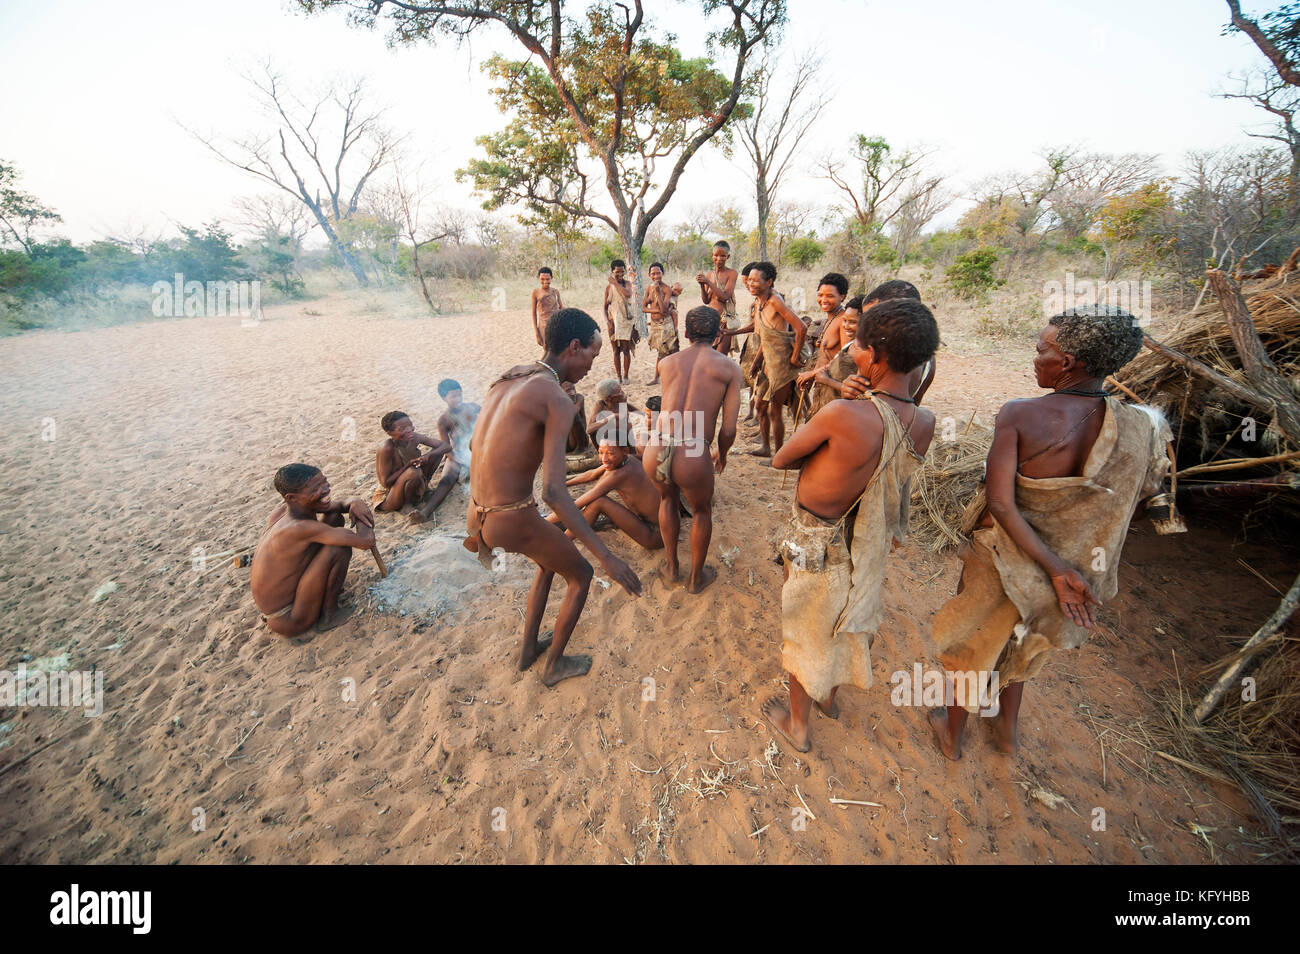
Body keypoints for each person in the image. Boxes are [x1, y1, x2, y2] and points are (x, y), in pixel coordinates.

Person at [926, 306, 1171, 760]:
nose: (1035, 358)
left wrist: (1052, 568)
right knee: (1027, 640)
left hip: (1003, 558)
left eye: (1042, 350)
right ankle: (1006, 732)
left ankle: (952, 731)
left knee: (974, 644)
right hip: (1074, 569)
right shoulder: (1140, 426)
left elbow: (1000, 501)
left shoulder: (1021, 414)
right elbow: (1131, 502)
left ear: (1069, 362)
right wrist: (1065, 563)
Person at [763, 299, 939, 752]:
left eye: (858, 347)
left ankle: (798, 725)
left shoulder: (844, 413)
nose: (852, 353)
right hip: (868, 538)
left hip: (815, 534)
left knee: (806, 625)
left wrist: (841, 404)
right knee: (845, 619)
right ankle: (829, 699)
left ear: (874, 357)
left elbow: (783, 458)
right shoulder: (925, 422)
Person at [465, 308, 642, 686]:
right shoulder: (557, 399)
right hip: (510, 516)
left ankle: (529, 650)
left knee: (550, 560)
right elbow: (553, 492)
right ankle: (554, 666)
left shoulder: (508, 377)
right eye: (592, 356)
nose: (591, 367)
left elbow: (473, 444)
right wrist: (607, 555)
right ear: (575, 347)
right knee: (582, 574)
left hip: (477, 515)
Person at [643, 306, 741, 594]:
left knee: (667, 501)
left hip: (658, 445)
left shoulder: (667, 363)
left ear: (684, 333)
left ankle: (672, 568)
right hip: (693, 450)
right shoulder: (728, 368)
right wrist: (722, 454)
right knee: (701, 512)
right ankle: (696, 579)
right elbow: (729, 429)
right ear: (719, 333)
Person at [251, 464, 376, 637]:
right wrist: (364, 516)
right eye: (316, 488)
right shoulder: (299, 527)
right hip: (290, 618)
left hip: (290, 601)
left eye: (324, 483)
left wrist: (354, 502)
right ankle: (329, 615)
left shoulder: (285, 510)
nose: (326, 490)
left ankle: (321, 600)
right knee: (338, 549)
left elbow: (338, 506)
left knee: (333, 518)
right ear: (292, 498)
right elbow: (366, 541)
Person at [547, 436, 664, 550]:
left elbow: (578, 504)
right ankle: (561, 538)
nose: (604, 458)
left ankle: (562, 543)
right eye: (600, 452)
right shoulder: (627, 459)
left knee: (598, 502)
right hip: (658, 525)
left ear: (624, 451)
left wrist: (543, 522)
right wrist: (565, 483)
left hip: (654, 535)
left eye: (610, 453)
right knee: (595, 500)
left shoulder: (619, 475)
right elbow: (592, 474)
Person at [839, 281, 936, 405]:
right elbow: (856, 391)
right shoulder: (871, 349)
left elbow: (911, 408)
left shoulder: (925, 362)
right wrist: (848, 390)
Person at [746, 261, 806, 458]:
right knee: (760, 407)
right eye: (750, 280)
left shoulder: (774, 301)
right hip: (767, 363)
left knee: (774, 411)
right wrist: (756, 362)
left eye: (756, 280)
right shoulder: (759, 302)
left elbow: (801, 327)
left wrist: (795, 357)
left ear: (769, 281)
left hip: (781, 365)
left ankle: (778, 455)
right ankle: (765, 447)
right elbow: (767, 336)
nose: (751, 284)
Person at [374, 411, 459, 524]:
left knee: (436, 453)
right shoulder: (387, 448)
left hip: (414, 482)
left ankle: (419, 495)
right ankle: (408, 504)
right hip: (390, 497)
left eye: (410, 425)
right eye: (402, 428)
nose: (409, 430)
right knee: (413, 472)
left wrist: (428, 456)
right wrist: (408, 466)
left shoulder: (414, 437)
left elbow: (446, 446)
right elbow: (386, 482)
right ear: (390, 433)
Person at [696, 241, 738, 353]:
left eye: (723, 256)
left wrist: (708, 282)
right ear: (712, 255)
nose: (719, 259)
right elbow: (706, 300)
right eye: (716, 255)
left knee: (720, 357)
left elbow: (725, 296)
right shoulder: (710, 274)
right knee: (709, 355)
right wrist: (702, 285)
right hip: (711, 320)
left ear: (728, 257)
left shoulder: (732, 273)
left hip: (725, 320)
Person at [643, 263, 681, 385]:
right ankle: (656, 378)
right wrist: (656, 310)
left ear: (662, 274)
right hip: (655, 324)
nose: (656, 276)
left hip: (666, 324)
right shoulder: (649, 288)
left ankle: (677, 376)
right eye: (653, 274)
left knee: (672, 351)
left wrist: (658, 293)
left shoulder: (666, 289)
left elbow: (665, 311)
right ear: (649, 275)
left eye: (658, 273)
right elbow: (643, 308)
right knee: (661, 352)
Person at [436, 379, 479, 485]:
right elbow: (446, 448)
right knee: (447, 479)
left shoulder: (473, 407)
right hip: (461, 452)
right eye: (453, 397)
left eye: (459, 395)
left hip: (480, 446)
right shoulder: (444, 420)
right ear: (443, 398)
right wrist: (458, 460)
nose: (458, 399)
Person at [604, 259, 637, 384]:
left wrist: (615, 283)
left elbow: (627, 294)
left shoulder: (627, 284)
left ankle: (626, 376)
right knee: (615, 351)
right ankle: (618, 376)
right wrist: (607, 321)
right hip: (614, 323)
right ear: (612, 271)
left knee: (626, 350)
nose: (620, 274)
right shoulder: (608, 288)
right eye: (617, 272)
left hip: (626, 322)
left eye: (622, 272)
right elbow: (604, 307)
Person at [531, 267, 563, 348]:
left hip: (556, 325)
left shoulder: (555, 292)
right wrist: (536, 333)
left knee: (558, 349)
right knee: (547, 350)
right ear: (538, 278)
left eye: (548, 279)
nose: (545, 282)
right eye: (542, 279)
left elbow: (561, 308)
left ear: (551, 278)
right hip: (543, 326)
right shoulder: (535, 292)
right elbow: (534, 313)